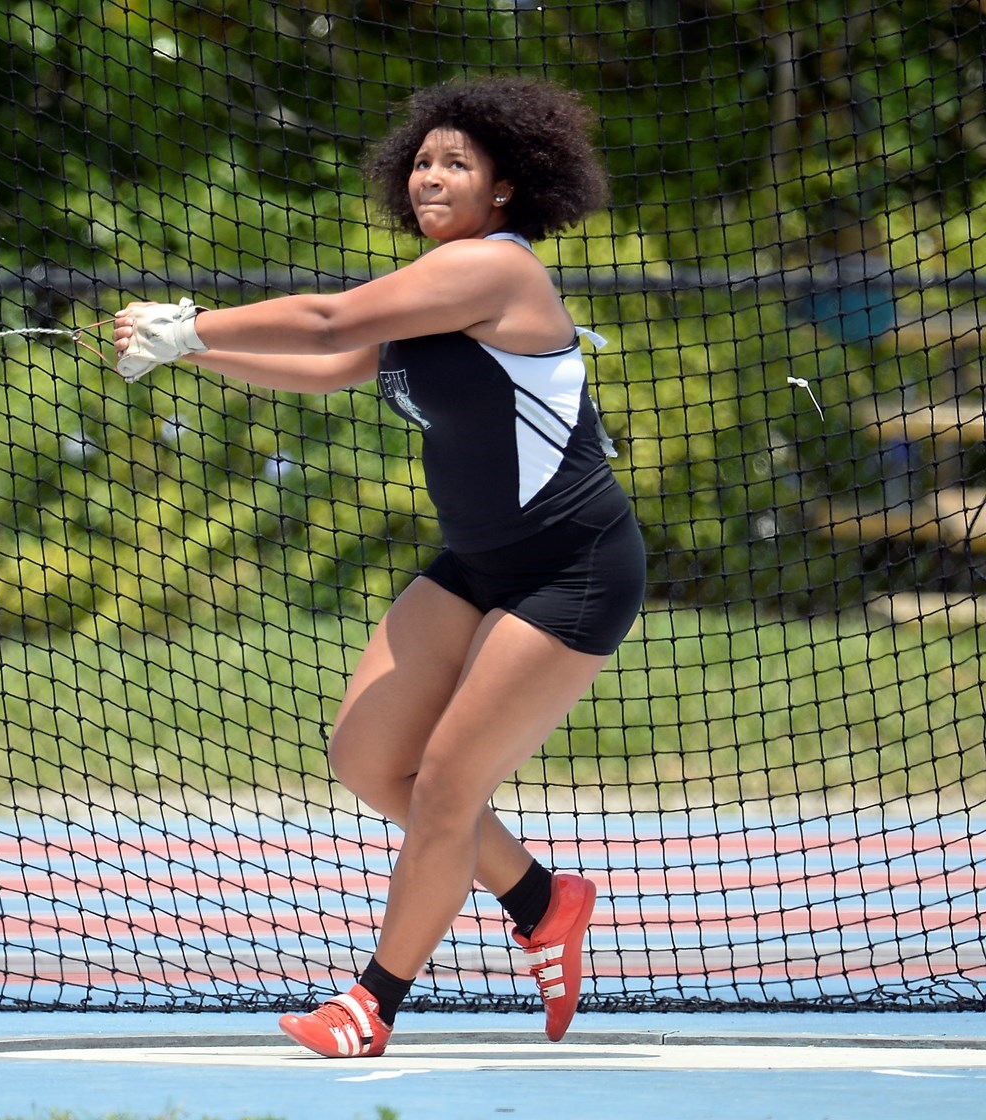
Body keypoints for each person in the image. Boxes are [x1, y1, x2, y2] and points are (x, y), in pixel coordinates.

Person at [113, 76, 643, 1056]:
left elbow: (327, 320)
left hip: (570, 568)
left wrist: (191, 323)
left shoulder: (494, 270)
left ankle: (371, 1004)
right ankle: (541, 899)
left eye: (457, 164)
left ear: (506, 187)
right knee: (366, 758)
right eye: (422, 161)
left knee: (443, 785)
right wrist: (185, 356)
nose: (430, 176)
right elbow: (329, 365)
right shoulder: (431, 280)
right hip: (476, 564)